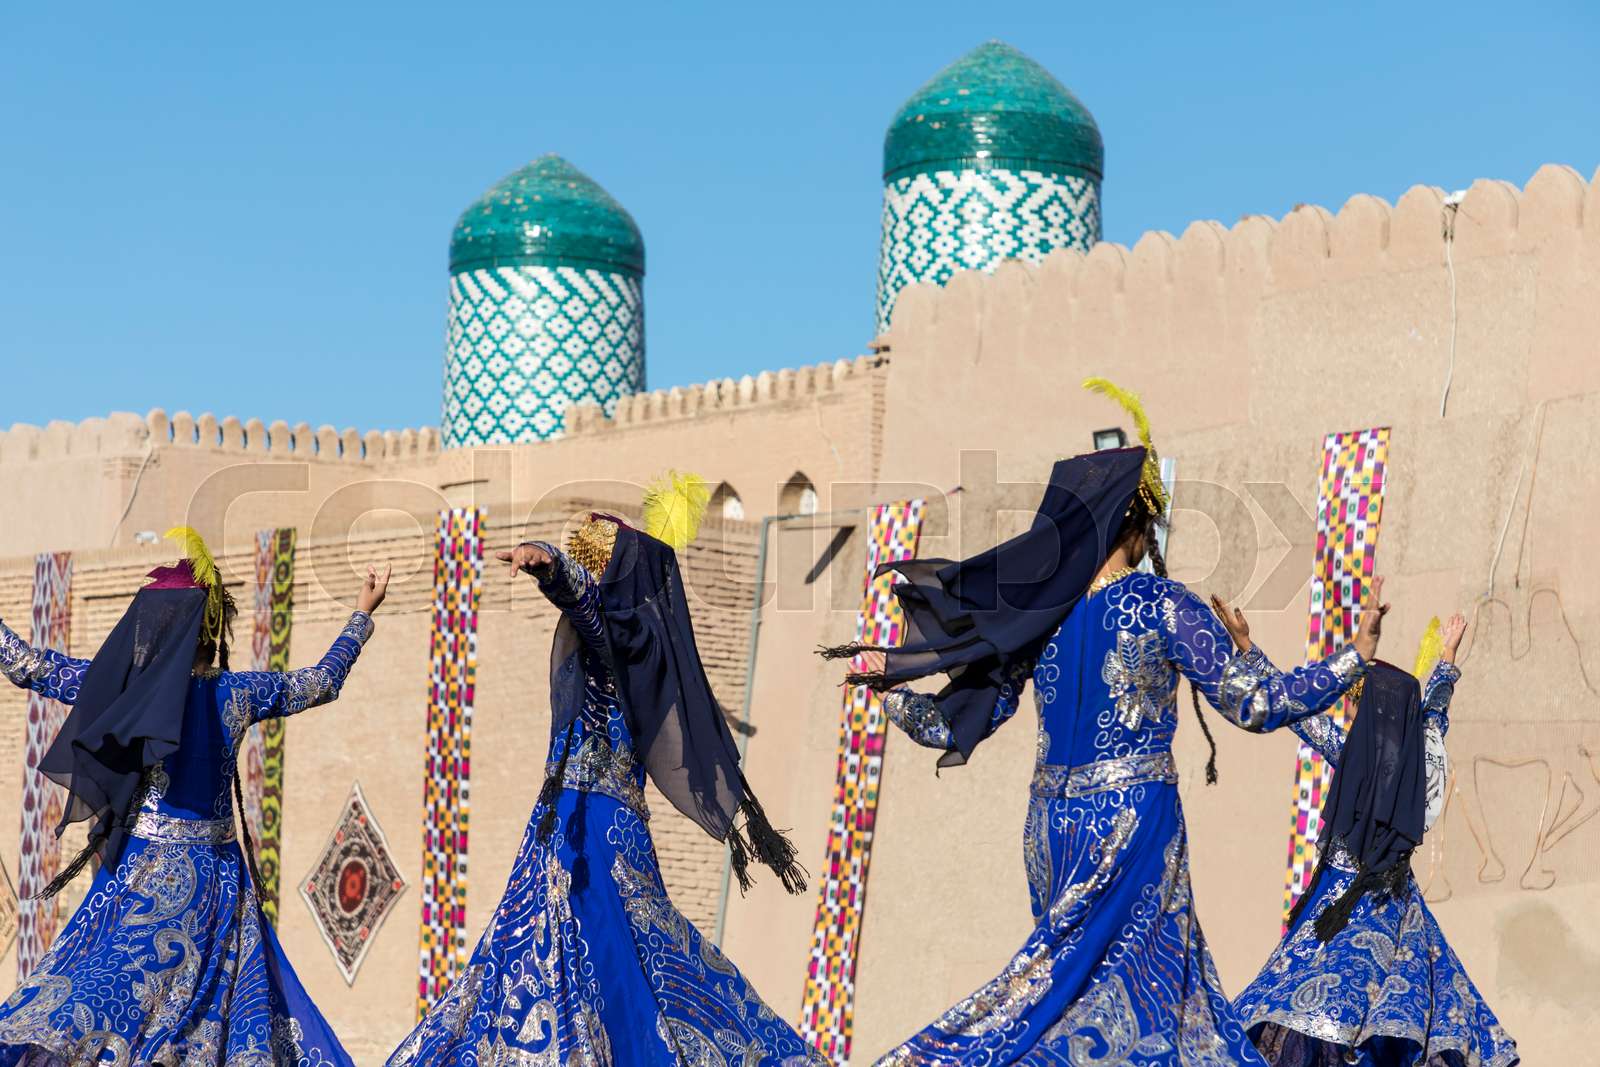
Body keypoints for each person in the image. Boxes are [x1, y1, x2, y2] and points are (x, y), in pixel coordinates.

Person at [826, 380, 1386, 1065]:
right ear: (1138, 523)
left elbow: (955, 726)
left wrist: (890, 689)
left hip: (1049, 830)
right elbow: (1255, 702)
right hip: (1132, 822)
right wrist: (1352, 659)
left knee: (1066, 995)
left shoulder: (1040, 619)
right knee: (1142, 1004)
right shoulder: (1163, 605)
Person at [390, 474, 822, 1067]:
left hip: (591, 826)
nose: (594, 581)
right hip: (582, 819)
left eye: (600, 569)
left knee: (608, 954)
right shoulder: (640, 640)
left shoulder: (624, 636)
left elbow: (588, 612)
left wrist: (552, 567)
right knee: (589, 953)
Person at [0, 526, 387, 1066]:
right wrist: (361, 616)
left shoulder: (125, 694)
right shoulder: (241, 693)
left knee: (99, 1010)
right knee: (216, 1026)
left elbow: (32, 668)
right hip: (219, 885)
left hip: (140, 878)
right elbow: (322, 681)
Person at [1225, 608, 1519, 1066]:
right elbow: (1436, 709)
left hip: (1342, 913)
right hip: (1390, 911)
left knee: (1318, 1014)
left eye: (1364, 707)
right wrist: (1447, 656)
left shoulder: (1351, 754)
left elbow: (1301, 717)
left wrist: (1248, 649)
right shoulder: (1416, 760)